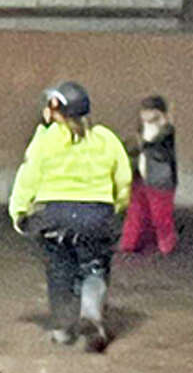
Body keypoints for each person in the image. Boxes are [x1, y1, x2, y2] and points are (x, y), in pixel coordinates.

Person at [9, 81, 132, 353]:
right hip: (96, 214)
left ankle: (63, 329)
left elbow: (28, 177)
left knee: (59, 269)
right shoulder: (106, 138)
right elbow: (123, 180)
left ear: (53, 111)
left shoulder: (46, 139)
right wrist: (118, 207)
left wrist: (18, 211)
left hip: (55, 216)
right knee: (94, 265)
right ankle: (91, 314)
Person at [119, 95, 178, 256]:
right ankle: (129, 243)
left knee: (160, 215)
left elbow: (161, 151)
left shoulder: (166, 132)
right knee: (136, 211)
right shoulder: (142, 129)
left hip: (159, 179)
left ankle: (166, 244)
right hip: (140, 175)